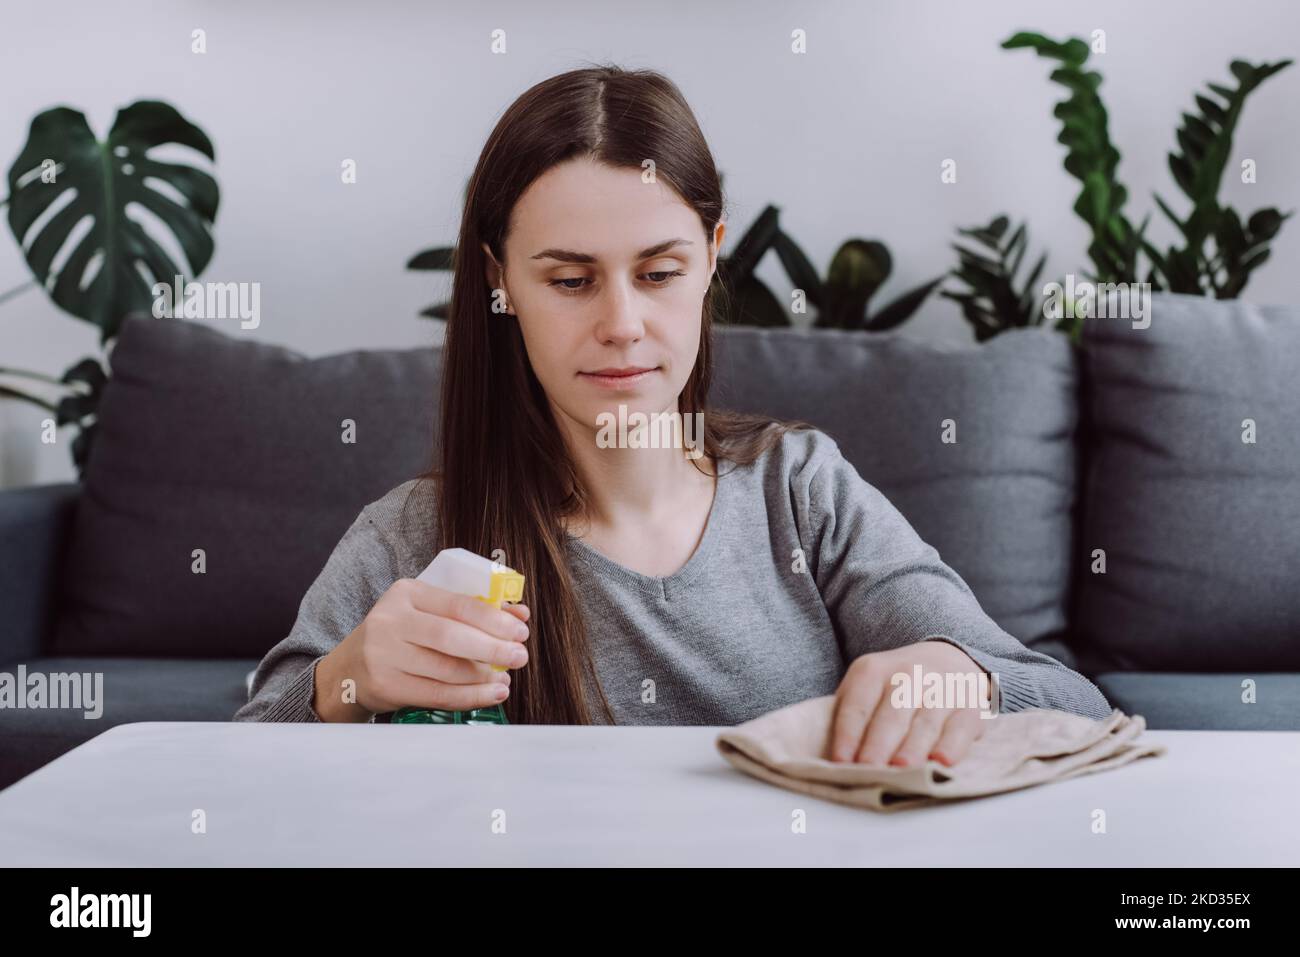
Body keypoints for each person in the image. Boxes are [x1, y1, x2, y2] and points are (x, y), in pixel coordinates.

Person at [234, 64, 1111, 767]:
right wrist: (341, 684)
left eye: (658, 272)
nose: (621, 324)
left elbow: (1073, 700)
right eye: (570, 280)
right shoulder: (411, 538)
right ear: (501, 282)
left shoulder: (800, 493)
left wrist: (964, 674)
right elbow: (225, 766)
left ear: (711, 257)